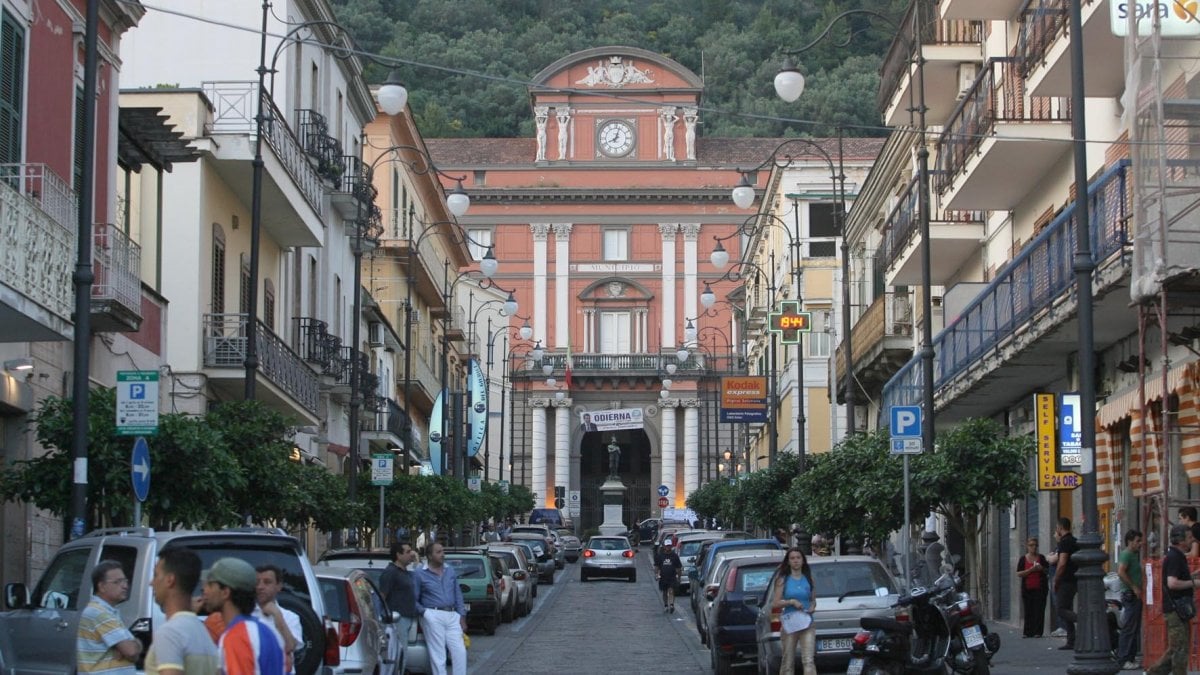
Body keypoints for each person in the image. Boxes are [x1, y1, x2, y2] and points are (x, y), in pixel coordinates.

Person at [200, 557, 285, 675]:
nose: (204, 589)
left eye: (210, 584)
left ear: (225, 592)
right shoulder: (268, 630)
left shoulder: (237, 637)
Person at [145, 548, 219, 675]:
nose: (152, 582)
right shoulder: (204, 634)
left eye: (156, 575)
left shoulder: (170, 632)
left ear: (170, 580)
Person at [1147, 524, 1200, 675]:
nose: (1192, 540)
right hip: (1176, 609)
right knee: (1180, 650)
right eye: (1189, 538)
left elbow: (1177, 577)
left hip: (1178, 609)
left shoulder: (1177, 556)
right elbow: (1172, 583)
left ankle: (1153, 672)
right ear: (1180, 541)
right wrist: (1195, 583)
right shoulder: (1175, 557)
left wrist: (1193, 575)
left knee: (1177, 647)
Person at [77, 560, 142, 674]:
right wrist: (132, 646)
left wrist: (133, 645)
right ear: (102, 586)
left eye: (125, 581)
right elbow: (131, 652)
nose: (125, 586)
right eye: (118, 582)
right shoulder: (99, 613)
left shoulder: (108, 612)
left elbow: (133, 653)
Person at [414, 542, 467, 675]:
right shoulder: (420, 573)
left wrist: (461, 615)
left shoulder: (449, 570)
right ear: (429, 556)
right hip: (433, 613)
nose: (442, 555)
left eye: (443, 551)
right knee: (438, 654)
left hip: (452, 614)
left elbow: (457, 594)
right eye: (438, 552)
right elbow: (413, 598)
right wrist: (425, 612)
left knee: (460, 651)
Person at [771, 547, 816, 675]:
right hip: (790, 624)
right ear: (788, 561)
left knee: (808, 660)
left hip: (807, 623)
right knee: (788, 661)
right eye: (792, 558)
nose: (796, 561)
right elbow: (775, 602)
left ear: (803, 560)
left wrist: (812, 607)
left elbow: (813, 600)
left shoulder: (809, 578)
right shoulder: (782, 579)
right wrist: (791, 602)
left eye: (798, 558)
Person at [379, 541, 420, 675]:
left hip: (407, 617)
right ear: (398, 555)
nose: (411, 554)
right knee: (400, 653)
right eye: (408, 552)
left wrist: (417, 561)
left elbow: (419, 577)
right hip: (398, 619)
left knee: (403, 652)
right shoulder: (391, 572)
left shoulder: (405, 572)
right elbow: (382, 596)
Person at [253, 565, 301, 672]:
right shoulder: (245, 615)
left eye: (267, 582)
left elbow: (290, 646)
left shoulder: (291, 617)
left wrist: (277, 615)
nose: (260, 587)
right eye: (257, 582)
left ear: (279, 586)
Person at [1117, 529, 1144, 670]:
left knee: (1133, 627)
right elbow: (1121, 571)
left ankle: (1130, 658)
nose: (1140, 544)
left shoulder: (1133, 555)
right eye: (1138, 541)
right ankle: (1123, 659)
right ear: (1129, 541)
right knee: (1129, 628)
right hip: (1130, 595)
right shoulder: (1127, 554)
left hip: (1134, 595)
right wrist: (1134, 587)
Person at [1052, 517, 1079, 650]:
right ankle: (1071, 640)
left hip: (1066, 580)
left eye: (1057, 527)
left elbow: (1062, 563)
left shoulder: (1064, 542)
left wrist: (1056, 579)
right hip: (1074, 579)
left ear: (1060, 527)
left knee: (1061, 609)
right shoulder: (1075, 541)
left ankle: (1082, 619)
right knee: (1067, 608)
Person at [1016, 537, 1049, 638]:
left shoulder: (1041, 558)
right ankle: (1027, 632)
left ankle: (1038, 632)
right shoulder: (1023, 559)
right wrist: (1030, 570)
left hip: (1040, 588)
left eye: (1035, 545)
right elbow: (1019, 573)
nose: (1033, 547)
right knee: (1028, 610)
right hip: (1027, 588)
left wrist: (1041, 568)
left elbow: (1047, 570)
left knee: (1039, 610)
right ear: (1027, 546)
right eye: (1031, 545)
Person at [653, 539, 683, 613]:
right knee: (664, 592)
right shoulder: (660, 556)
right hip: (663, 577)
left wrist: (679, 577)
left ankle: (671, 604)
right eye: (667, 546)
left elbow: (678, 567)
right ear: (664, 546)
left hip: (672, 576)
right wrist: (656, 574)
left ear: (671, 546)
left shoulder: (674, 556)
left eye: (669, 546)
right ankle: (666, 605)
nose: (668, 547)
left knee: (671, 590)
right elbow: (657, 566)